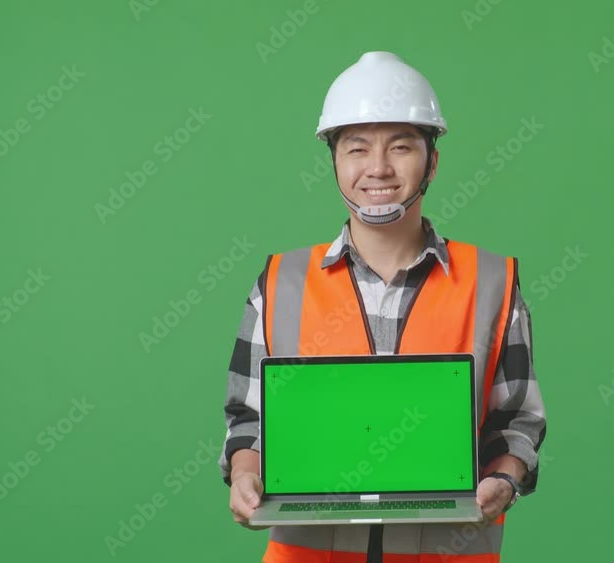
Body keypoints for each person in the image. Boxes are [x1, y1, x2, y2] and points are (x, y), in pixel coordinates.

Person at [219, 51, 547, 562]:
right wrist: (244, 476)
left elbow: (516, 423)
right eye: (356, 148)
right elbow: (247, 421)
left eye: (400, 147)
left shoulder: (492, 282)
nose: (378, 168)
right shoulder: (281, 283)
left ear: (432, 160)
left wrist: (503, 479)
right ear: (334, 160)